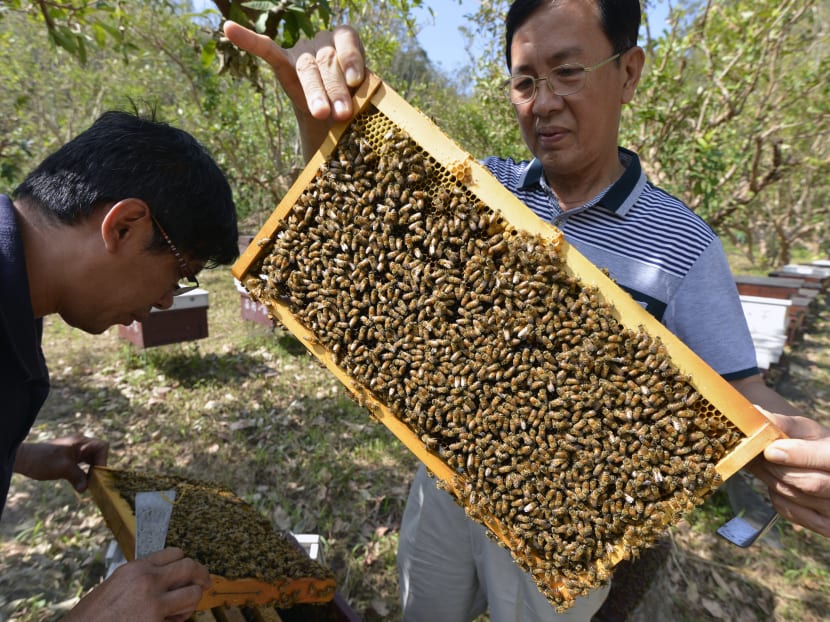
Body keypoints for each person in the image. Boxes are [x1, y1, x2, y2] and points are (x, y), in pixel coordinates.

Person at [223, 0, 830, 618]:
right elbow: (353, 228)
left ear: (629, 72)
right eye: (524, 81)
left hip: (566, 522)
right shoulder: (478, 189)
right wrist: (319, 108)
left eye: (569, 72)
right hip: (446, 478)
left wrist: (797, 450)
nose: (543, 103)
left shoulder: (684, 243)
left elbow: (739, 392)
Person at [2, 109, 240, 621]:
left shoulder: (21, 297)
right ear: (125, 227)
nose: (164, 302)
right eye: (179, 274)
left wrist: (15, 453)